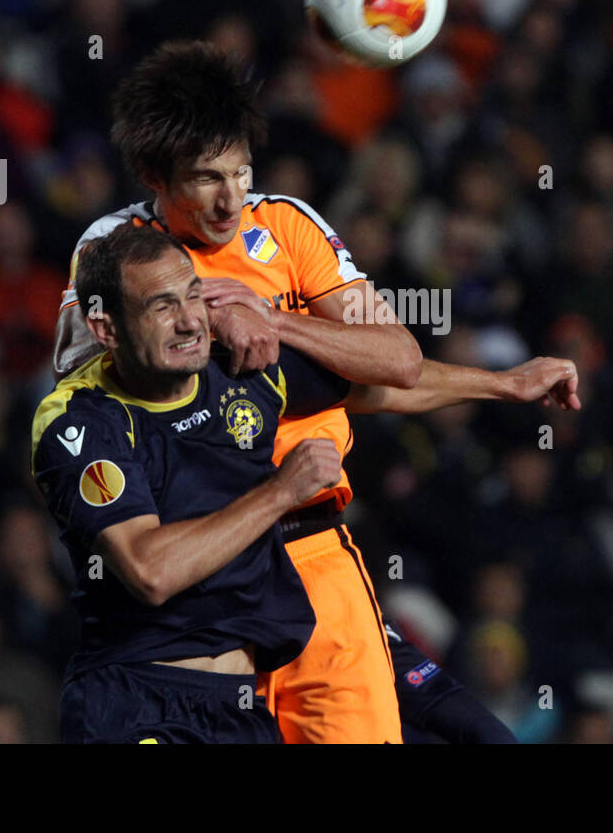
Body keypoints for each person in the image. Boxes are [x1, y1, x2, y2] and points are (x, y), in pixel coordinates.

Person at [51, 40, 581, 743]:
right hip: (196, 582)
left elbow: (391, 360)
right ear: (154, 174)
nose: (229, 199)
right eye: (206, 177)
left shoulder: (289, 228)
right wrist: (210, 314)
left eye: (240, 172)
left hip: (311, 554)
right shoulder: (117, 251)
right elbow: (87, 379)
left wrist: (273, 318)